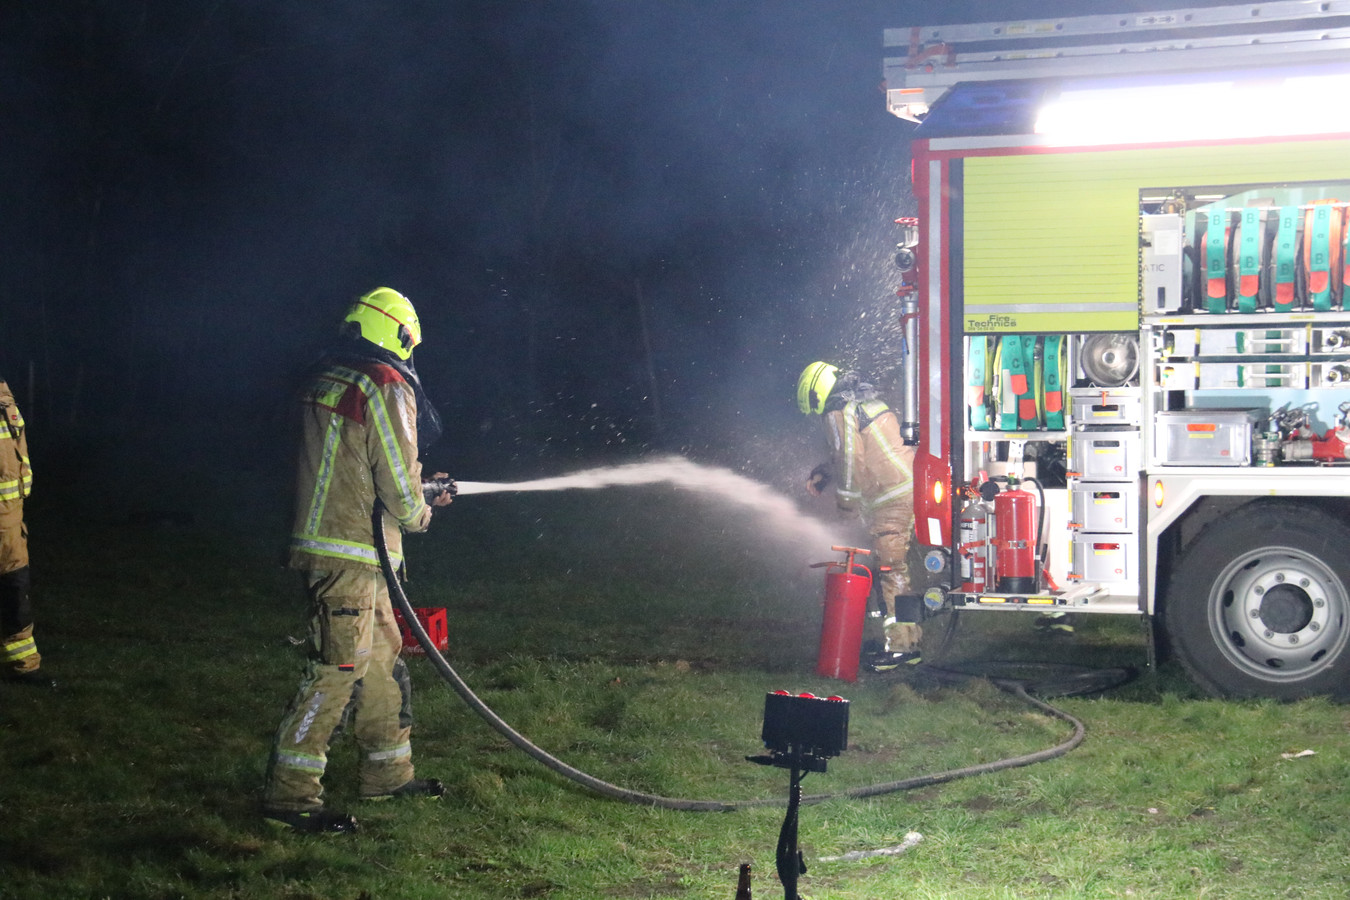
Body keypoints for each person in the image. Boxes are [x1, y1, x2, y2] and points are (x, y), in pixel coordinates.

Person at [262, 287, 454, 834]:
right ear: (396, 333)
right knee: (337, 670)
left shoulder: (329, 377)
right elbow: (394, 473)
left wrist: (419, 488)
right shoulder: (384, 383)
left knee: (380, 665)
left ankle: (387, 776)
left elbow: (356, 464)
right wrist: (420, 510)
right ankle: (289, 797)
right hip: (355, 550)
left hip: (341, 544)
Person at [797, 361, 921, 671]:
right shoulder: (862, 401)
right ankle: (902, 643)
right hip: (907, 488)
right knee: (891, 571)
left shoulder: (839, 411)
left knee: (891, 570)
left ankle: (902, 650)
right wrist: (826, 473)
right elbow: (856, 450)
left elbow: (850, 459)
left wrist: (846, 507)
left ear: (816, 395)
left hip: (890, 497)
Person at [0, 375, 52, 688]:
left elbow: (19, 455)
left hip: (10, 527)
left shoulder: (6, 400)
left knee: (16, 598)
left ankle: (24, 669)